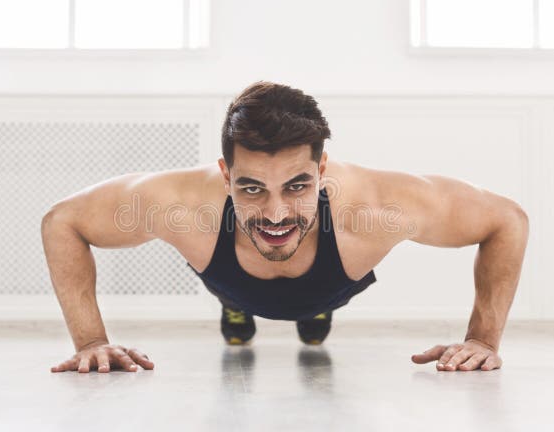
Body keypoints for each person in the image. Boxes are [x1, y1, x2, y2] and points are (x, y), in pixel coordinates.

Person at [42, 81, 529, 374]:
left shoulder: (379, 207)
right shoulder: (180, 205)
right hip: (230, 277)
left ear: (322, 173)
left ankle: (314, 315)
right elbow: (62, 221)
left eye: (296, 187)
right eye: (252, 189)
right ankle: (235, 306)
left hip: (330, 284)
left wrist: (482, 340)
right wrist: (90, 342)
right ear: (226, 174)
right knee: (238, 290)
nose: (275, 213)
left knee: (313, 312)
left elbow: (507, 219)